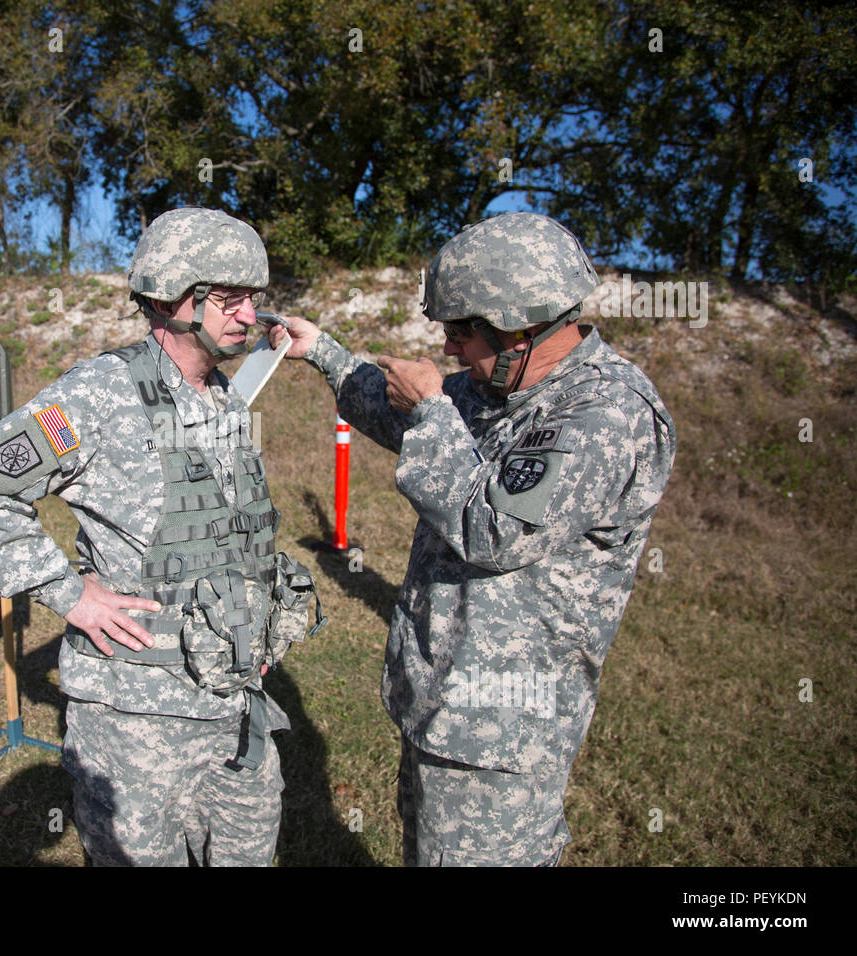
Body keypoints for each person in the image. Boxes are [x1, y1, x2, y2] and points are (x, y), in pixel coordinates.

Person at [271, 212, 676, 866]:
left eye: (462, 332)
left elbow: (494, 528)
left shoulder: (605, 415)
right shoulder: (496, 385)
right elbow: (389, 405)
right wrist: (322, 351)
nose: (451, 350)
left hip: (500, 736)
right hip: (441, 708)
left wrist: (433, 413)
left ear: (523, 326)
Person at [0, 207, 320, 866]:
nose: (249, 315)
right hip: (136, 725)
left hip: (235, 710)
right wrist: (68, 593)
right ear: (173, 299)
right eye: (229, 299)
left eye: (253, 299)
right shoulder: (102, 392)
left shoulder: (221, 398)